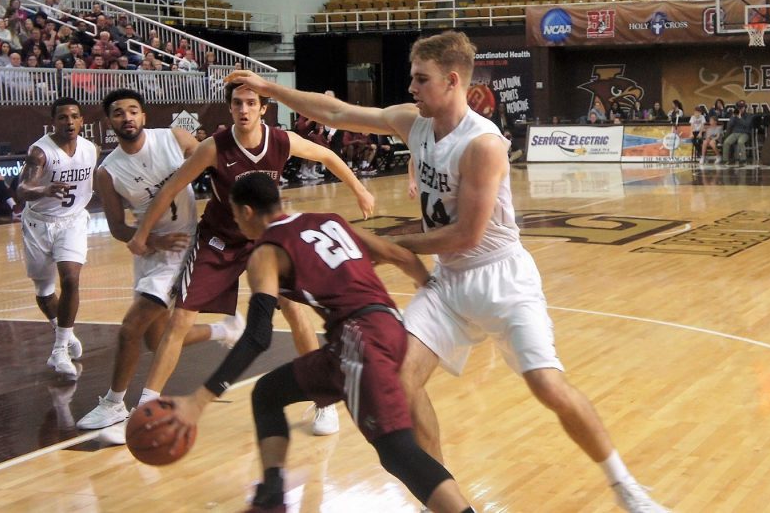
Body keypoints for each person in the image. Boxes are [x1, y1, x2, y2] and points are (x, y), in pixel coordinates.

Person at [226, 30, 667, 512]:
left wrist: (381, 245)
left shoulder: (483, 144)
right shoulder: (412, 122)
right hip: (449, 284)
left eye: (421, 79)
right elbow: (334, 112)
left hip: (502, 278)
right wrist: (273, 91)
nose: (411, 88)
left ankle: (624, 485)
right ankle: (442, 500)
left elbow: (466, 236)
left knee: (547, 384)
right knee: (399, 381)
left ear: (452, 80)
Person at [159, 173, 475, 513]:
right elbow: (398, 255)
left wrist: (199, 400)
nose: (237, 223)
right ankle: (271, 500)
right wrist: (425, 285)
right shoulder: (327, 221)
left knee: (397, 451)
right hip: (387, 328)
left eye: (236, 216)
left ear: (247, 212)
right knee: (267, 393)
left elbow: (257, 336)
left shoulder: (265, 252)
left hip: (360, 339)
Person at [125, 82, 376, 436]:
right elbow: (171, 188)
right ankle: (145, 404)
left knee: (294, 310)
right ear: (230, 110)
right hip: (221, 238)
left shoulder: (281, 140)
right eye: (237, 103)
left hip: (269, 239)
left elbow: (328, 156)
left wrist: (360, 188)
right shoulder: (214, 147)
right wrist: (140, 234)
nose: (244, 109)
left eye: (251, 103)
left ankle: (323, 403)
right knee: (181, 316)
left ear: (262, 109)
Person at [74, 90, 240, 441]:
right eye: (118, 113)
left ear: (144, 116)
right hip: (152, 250)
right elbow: (118, 228)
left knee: (130, 327)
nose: (127, 117)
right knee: (155, 339)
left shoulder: (174, 139)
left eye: (133, 111)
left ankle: (115, 403)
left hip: (187, 245)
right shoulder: (108, 172)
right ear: (109, 123)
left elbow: (213, 166)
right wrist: (151, 240)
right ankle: (225, 331)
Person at [16, 97, 98, 379]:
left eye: (74, 116)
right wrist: (45, 190)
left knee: (71, 278)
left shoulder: (90, 149)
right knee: (44, 292)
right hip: (39, 224)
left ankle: (59, 350)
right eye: (63, 117)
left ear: (82, 120)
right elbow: (23, 189)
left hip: (73, 221)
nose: (69, 121)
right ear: (53, 122)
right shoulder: (40, 152)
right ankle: (62, 330)